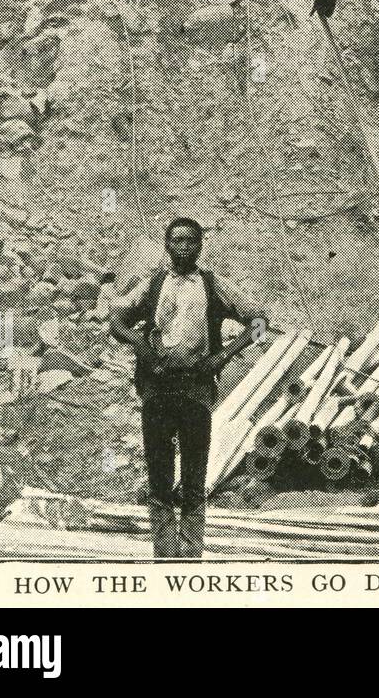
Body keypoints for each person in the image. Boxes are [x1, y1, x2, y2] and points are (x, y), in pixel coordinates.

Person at [110, 218, 267, 559]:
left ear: (200, 246)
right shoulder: (152, 285)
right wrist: (141, 344)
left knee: (195, 479)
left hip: (196, 392)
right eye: (177, 241)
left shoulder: (213, 285)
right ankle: (165, 557)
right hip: (157, 390)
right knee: (160, 478)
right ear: (166, 245)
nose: (184, 247)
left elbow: (259, 324)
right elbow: (116, 321)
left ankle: (191, 557)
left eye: (191, 241)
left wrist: (222, 357)